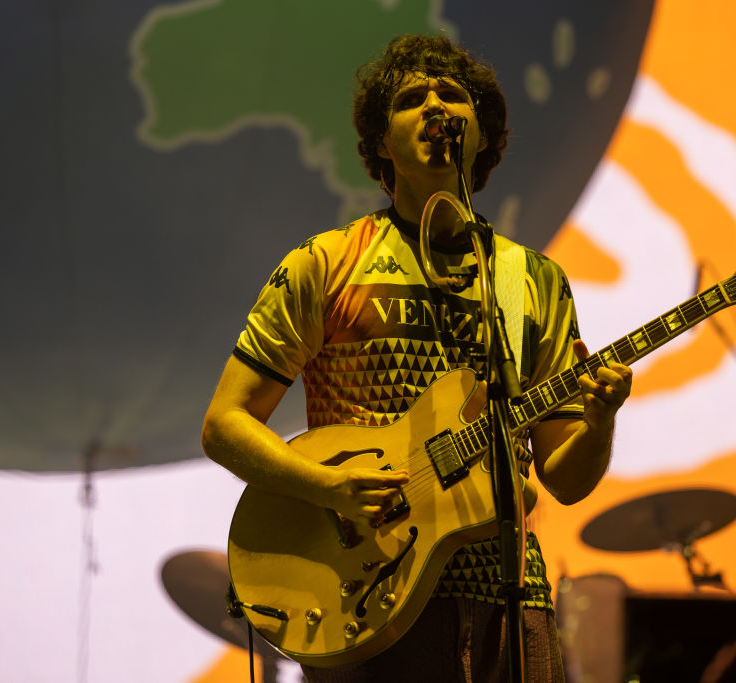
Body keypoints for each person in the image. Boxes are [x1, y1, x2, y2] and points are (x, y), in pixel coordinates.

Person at [201, 34, 632, 682]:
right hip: (368, 597)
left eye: (453, 96)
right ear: (379, 142)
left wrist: (599, 423)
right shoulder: (325, 263)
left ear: (482, 136)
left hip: (509, 600)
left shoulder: (530, 280)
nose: (436, 106)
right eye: (411, 99)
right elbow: (224, 425)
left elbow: (565, 479)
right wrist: (327, 486)